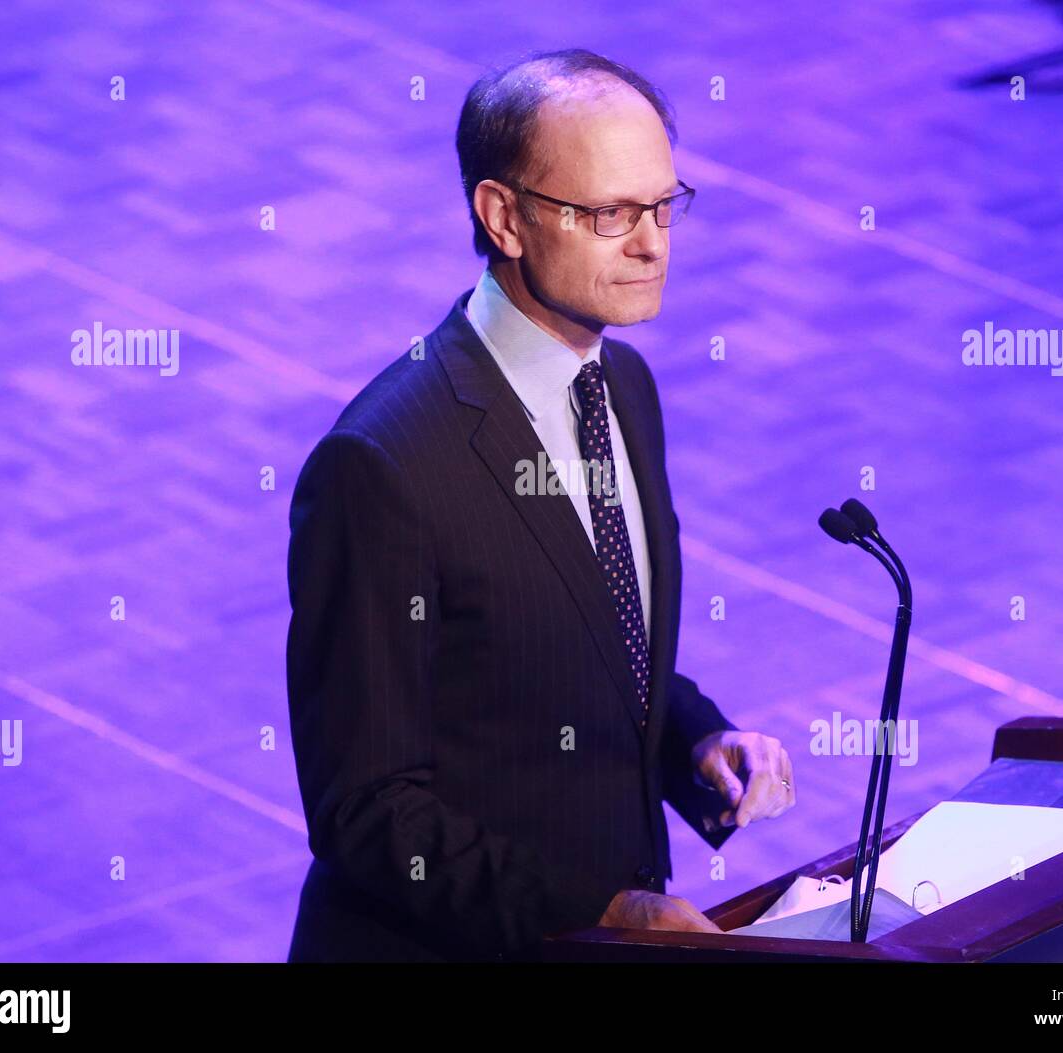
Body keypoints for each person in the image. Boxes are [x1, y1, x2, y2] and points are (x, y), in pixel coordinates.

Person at [285, 47, 795, 962]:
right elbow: (366, 808)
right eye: (608, 213)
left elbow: (587, 636)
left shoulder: (623, 388)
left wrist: (697, 739)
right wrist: (597, 909)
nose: (651, 242)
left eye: (662, 204)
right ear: (503, 217)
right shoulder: (382, 464)